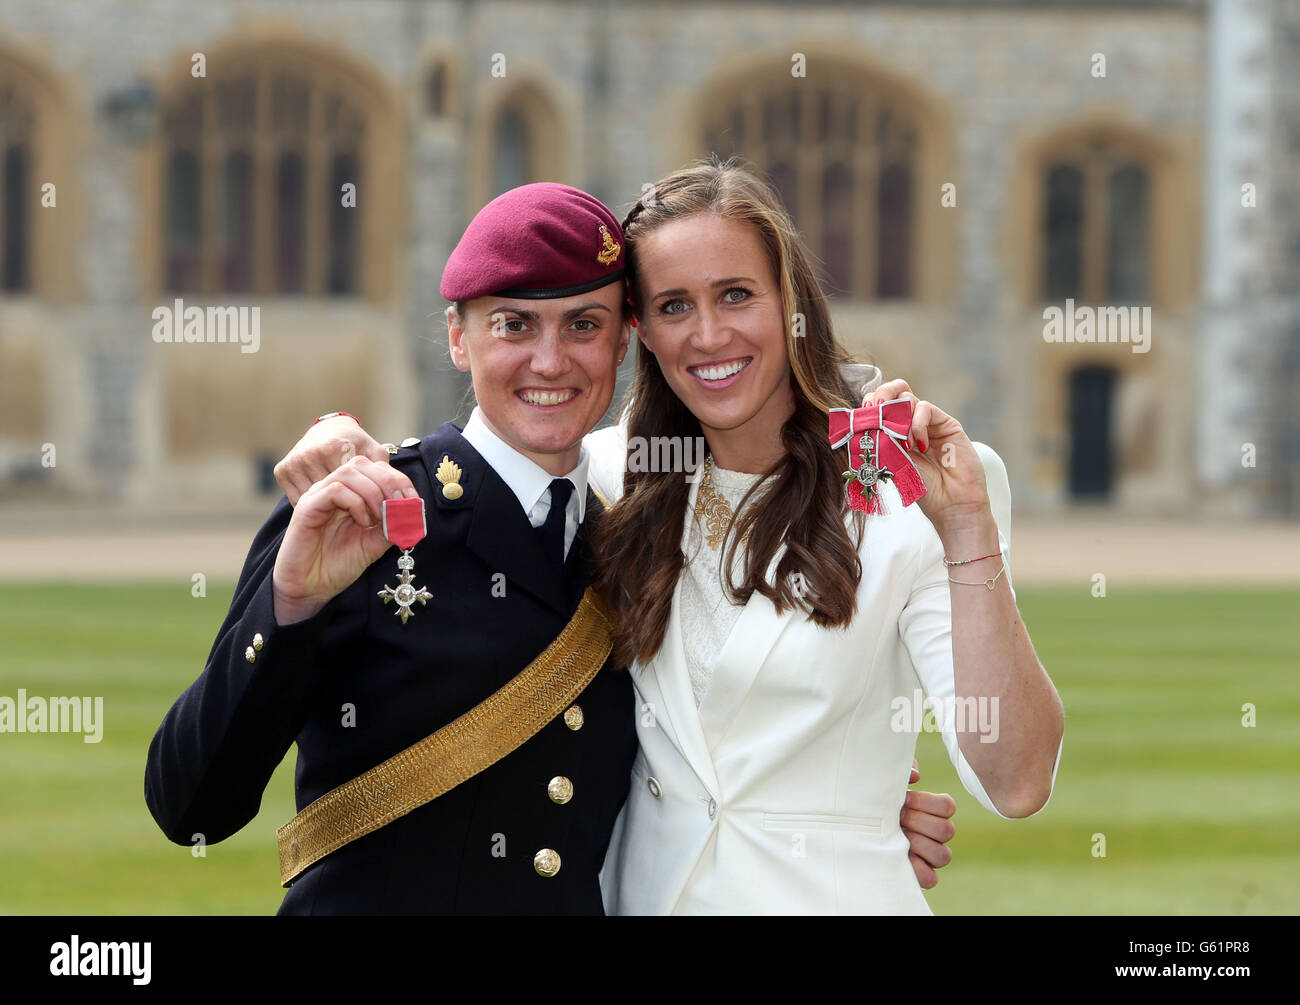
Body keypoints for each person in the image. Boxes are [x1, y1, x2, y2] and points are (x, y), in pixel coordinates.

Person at [144, 183, 642, 914]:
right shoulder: (362, 507)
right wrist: (291, 606)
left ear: (622, 342)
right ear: (456, 336)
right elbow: (189, 806)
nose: (550, 359)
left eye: (583, 325)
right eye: (513, 324)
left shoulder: (627, 542)